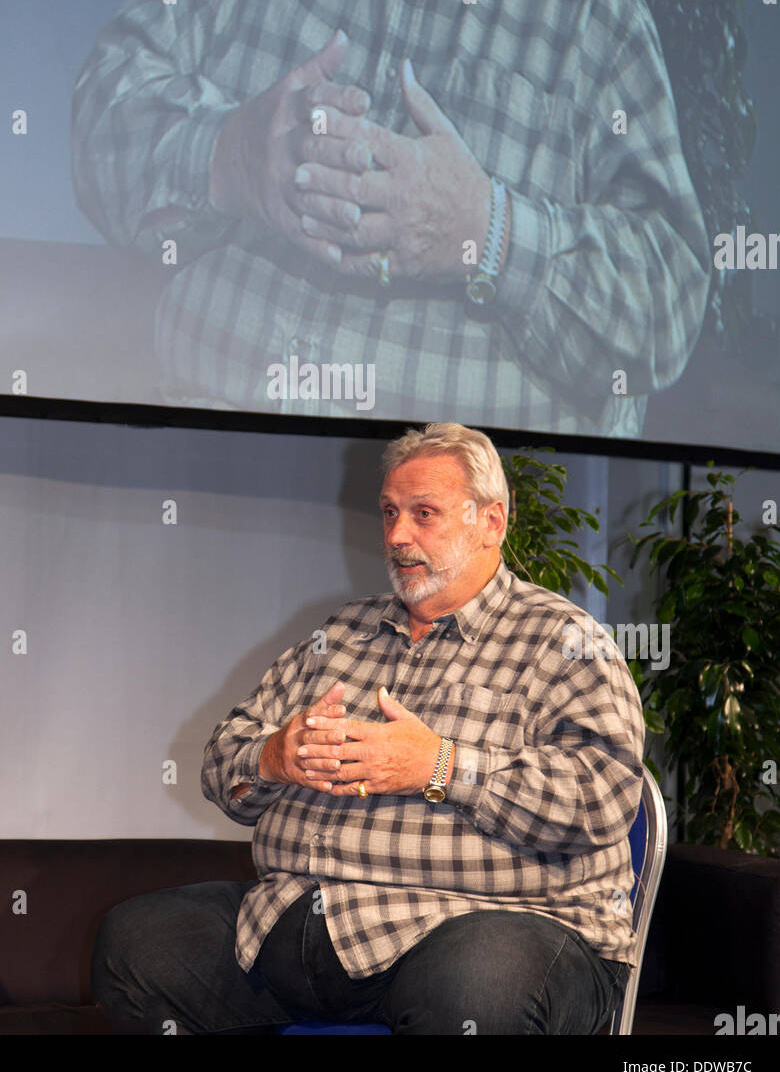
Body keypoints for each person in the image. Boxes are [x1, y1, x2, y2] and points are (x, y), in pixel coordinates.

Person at [71, 0, 709, 437]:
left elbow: (668, 300)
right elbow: (101, 115)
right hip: (208, 457)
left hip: (448, 503)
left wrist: (487, 232)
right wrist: (231, 157)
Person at [91, 422, 645, 1034]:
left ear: (492, 522)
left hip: (488, 924)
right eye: (389, 513)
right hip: (303, 921)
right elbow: (221, 766)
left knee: (475, 988)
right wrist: (274, 757)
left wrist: (441, 767)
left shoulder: (566, 643)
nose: (398, 536)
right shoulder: (338, 636)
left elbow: (604, 799)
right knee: (138, 944)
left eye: (423, 514)